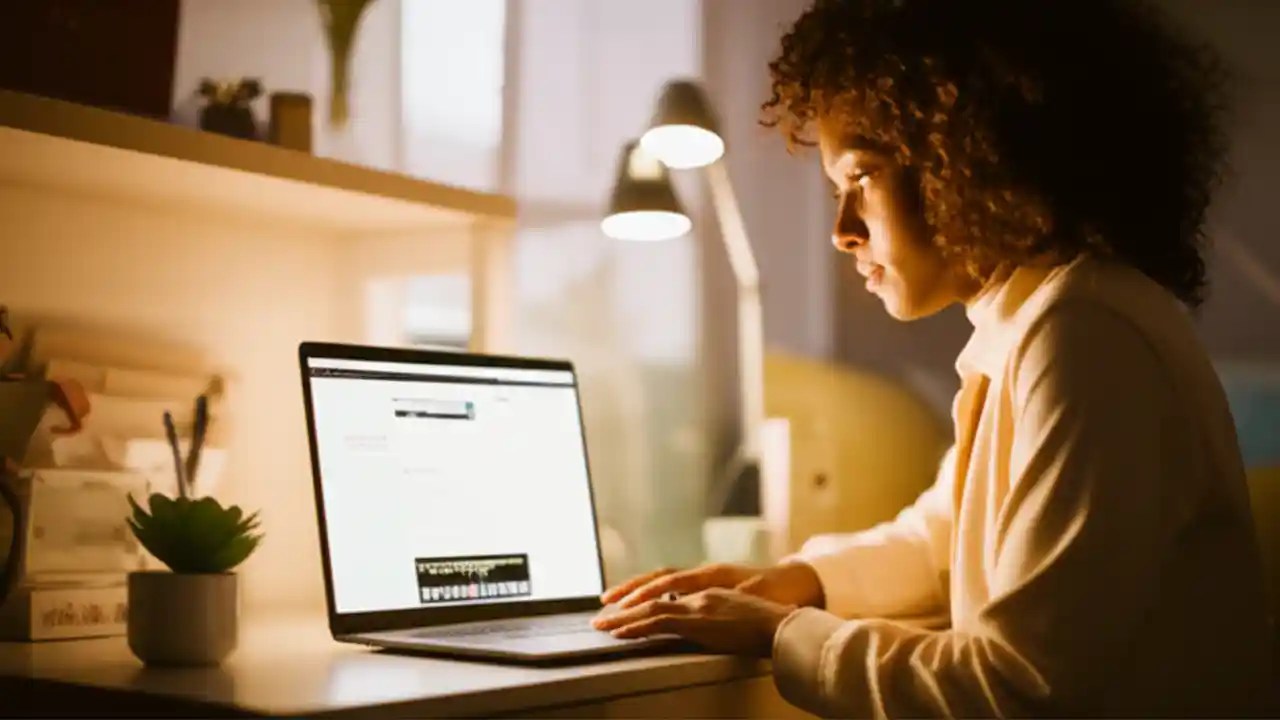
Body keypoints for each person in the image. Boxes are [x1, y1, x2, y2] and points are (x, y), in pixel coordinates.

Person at [592, 0, 1277, 716]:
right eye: (834, 191)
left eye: (860, 178)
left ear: (969, 157)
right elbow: (940, 540)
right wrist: (793, 580)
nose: (841, 231)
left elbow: (1015, 686)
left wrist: (783, 632)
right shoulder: (1036, 323)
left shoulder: (1085, 337)